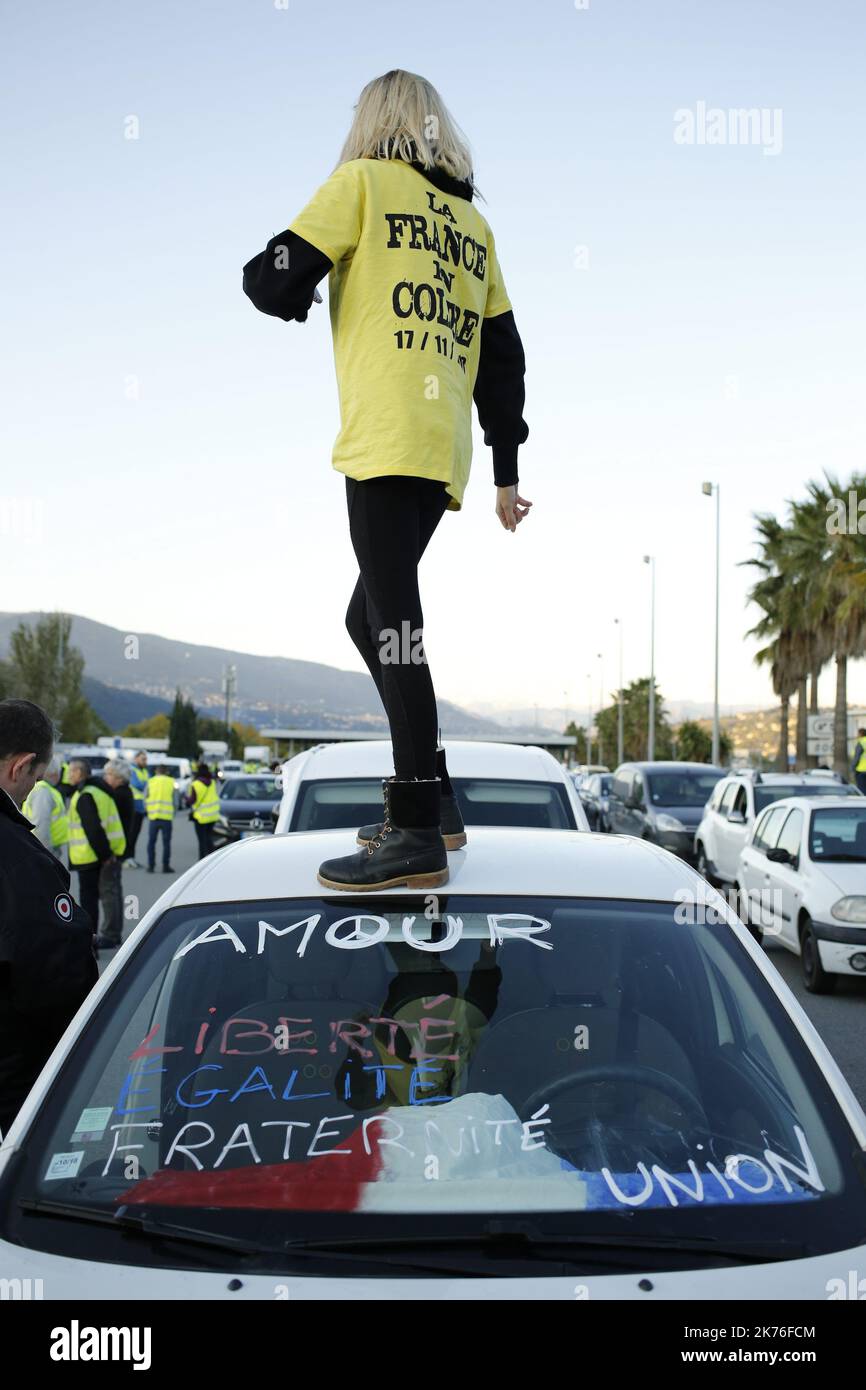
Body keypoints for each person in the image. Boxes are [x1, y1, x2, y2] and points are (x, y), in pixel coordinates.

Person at [243, 70, 530, 891]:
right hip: (442, 452)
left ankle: (414, 830)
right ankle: (434, 799)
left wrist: (287, 286)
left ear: (373, 122)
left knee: (396, 624)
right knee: (367, 615)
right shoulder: (474, 227)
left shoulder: (361, 183)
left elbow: (270, 278)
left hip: (383, 436)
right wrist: (507, 471)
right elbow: (503, 357)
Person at [0, 699, 98, 1138]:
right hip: (15, 1072)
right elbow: (55, 974)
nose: (30, 792)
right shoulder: (19, 860)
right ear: (19, 768)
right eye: (36, 780)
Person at [66, 758, 127, 942]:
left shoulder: (85, 794)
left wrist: (105, 854)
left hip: (89, 857)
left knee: (89, 902)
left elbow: (93, 829)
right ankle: (109, 935)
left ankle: (90, 942)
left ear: (78, 773)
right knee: (108, 896)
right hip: (100, 854)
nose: (68, 774)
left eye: (70, 771)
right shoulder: (100, 790)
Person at [96, 759, 136, 950]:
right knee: (114, 890)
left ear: (118, 777)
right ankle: (115, 931)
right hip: (120, 849)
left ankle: (110, 933)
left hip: (113, 850)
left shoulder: (118, 795)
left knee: (109, 891)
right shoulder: (125, 792)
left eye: (108, 775)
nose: (105, 778)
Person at [21, 754, 69, 859]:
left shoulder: (45, 789)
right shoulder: (43, 791)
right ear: (54, 774)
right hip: (46, 849)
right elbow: (40, 826)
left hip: (46, 847)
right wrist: (47, 854)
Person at [144, 763, 176, 874]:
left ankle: (151, 866)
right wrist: (173, 813)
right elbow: (175, 800)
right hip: (167, 818)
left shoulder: (150, 781)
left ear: (156, 771)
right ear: (166, 771)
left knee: (151, 842)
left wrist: (148, 811)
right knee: (166, 843)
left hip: (153, 817)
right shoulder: (171, 781)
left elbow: (145, 797)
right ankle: (165, 866)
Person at [186, 762, 220, 858]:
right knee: (208, 838)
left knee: (202, 840)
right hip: (212, 816)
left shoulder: (196, 784)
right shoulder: (212, 782)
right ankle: (213, 857)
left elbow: (192, 800)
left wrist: (186, 798)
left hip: (201, 817)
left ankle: (202, 860)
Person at [126, 751, 150, 867]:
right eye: (143, 759)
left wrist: (145, 783)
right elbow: (138, 785)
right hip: (133, 805)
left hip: (141, 806)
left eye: (145, 759)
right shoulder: (132, 770)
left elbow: (146, 784)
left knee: (135, 834)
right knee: (131, 833)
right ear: (135, 759)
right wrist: (146, 783)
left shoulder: (144, 771)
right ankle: (127, 859)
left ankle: (132, 858)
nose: (145, 761)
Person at [851, 727, 866, 795]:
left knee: (862, 790)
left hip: (861, 770)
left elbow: (857, 757)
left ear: (860, 734)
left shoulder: (861, 742)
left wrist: (852, 768)